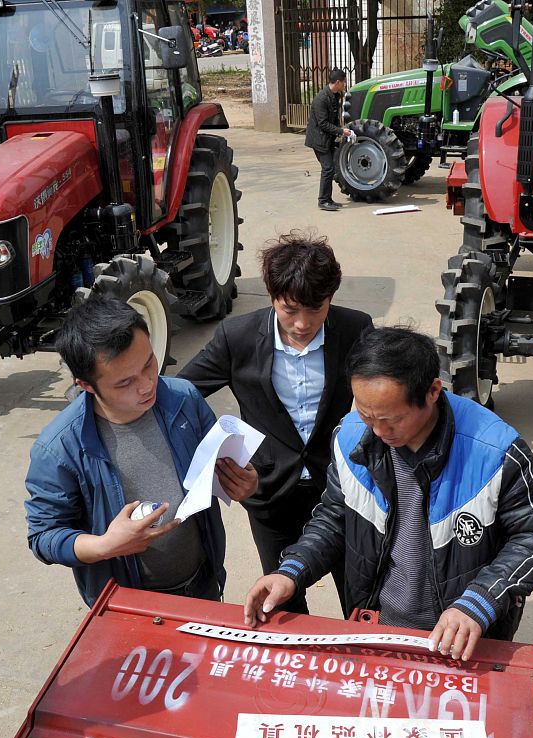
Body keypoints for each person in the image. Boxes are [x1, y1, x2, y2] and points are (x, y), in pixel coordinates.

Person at [243, 327, 533, 662]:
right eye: (367, 415)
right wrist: (292, 569)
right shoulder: (351, 436)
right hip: (378, 623)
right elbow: (335, 517)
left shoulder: (494, 452)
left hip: (460, 636)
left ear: (432, 391)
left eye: (391, 419)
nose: (378, 431)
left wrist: (480, 601)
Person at [179, 231, 372, 616]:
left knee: (360, 599)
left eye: (316, 309)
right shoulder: (237, 338)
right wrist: (216, 454)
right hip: (268, 493)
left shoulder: (356, 329)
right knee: (283, 602)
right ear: (272, 296)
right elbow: (181, 394)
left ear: (331, 297)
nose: (302, 323)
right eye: (290, 310)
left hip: (340, 491)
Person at [25, 297, 258, 606]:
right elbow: (43, 536)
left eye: (149, 363)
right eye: (125, 382)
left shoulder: (183, 399)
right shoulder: (60, 448)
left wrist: (243, 483)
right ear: (87, 385)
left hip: (203, 582)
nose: (147, 385)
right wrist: (106, 545)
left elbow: (215, 471)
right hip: (128, 603)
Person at [305, 68, 352, 212]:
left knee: (331, 169)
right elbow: (323, 123)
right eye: (343, 82)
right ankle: (323, 201)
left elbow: (334, 119)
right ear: (337, 82)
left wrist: (339, 132)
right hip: (319, 139)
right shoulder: (321, 99)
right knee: (328, 168)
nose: (344, 84)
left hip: (328, 138)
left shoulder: (334, 95)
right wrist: (340, 131)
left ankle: (328, 199)